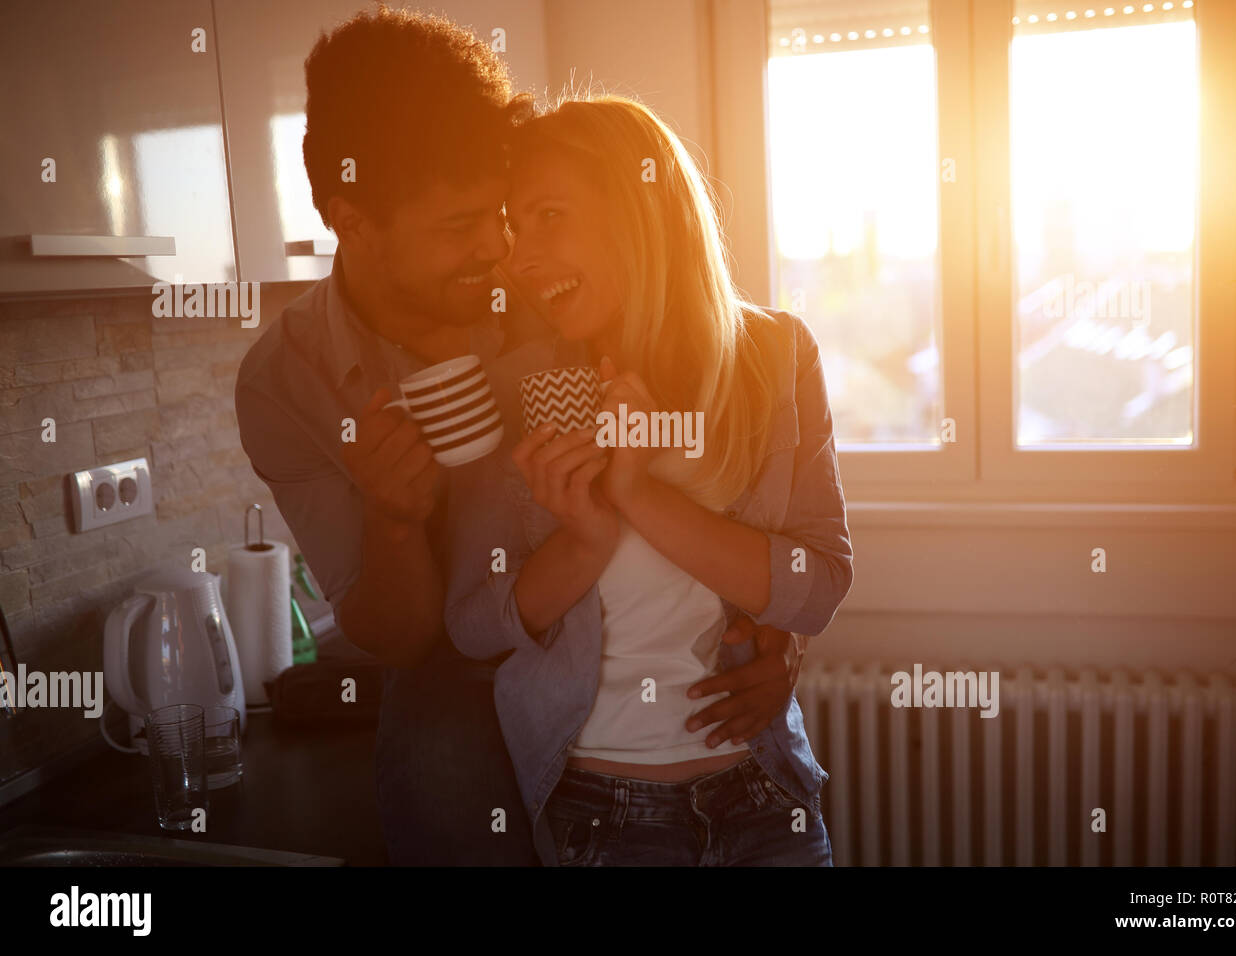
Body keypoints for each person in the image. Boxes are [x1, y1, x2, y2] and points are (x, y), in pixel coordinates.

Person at [235, 6, 807, 866]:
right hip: (454, 674)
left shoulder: (546, 271)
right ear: (350, 219)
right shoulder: (288, 385)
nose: (502, 247)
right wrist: (395, 520)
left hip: (625, 676)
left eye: (502, 213)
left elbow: (725, 415)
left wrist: (774, 618)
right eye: (460, 226)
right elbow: (397, 638)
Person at [443, 94, 854, 865]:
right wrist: (588, 538)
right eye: (513, 225)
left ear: (642, 210)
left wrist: (637, 493)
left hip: (767, 800)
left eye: (549, 216)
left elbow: (819, 585)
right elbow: (474, 625)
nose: (518, 258)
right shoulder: (517, 388)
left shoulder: (774, 358)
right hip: (607, 823)